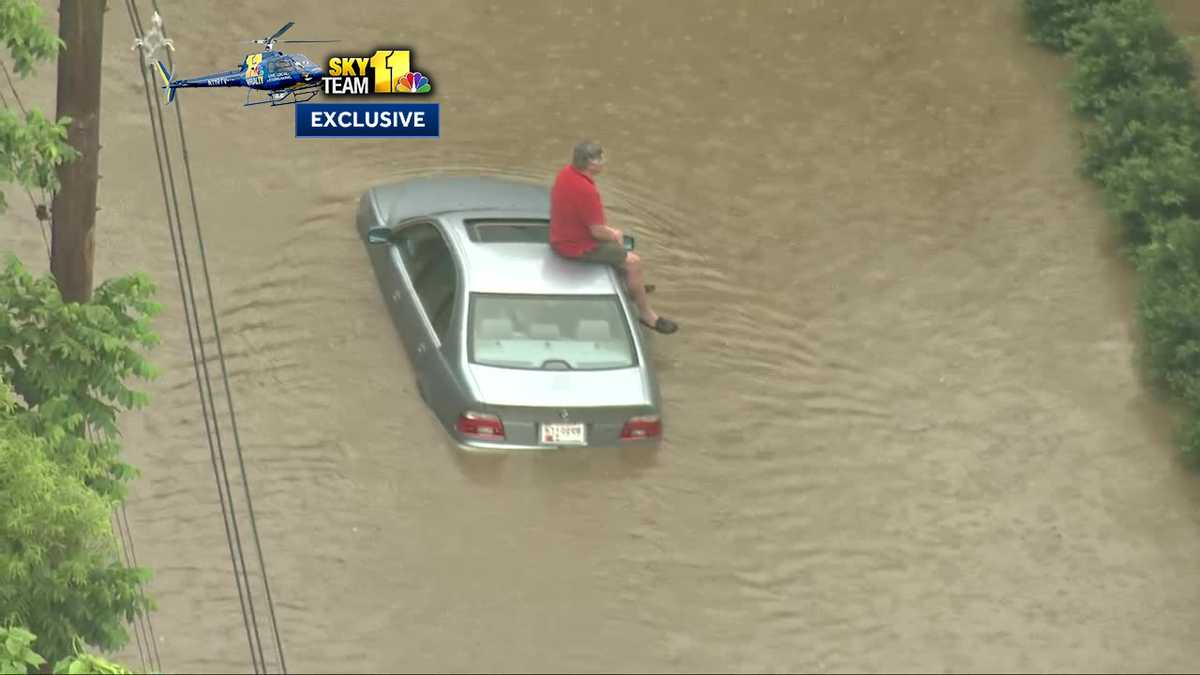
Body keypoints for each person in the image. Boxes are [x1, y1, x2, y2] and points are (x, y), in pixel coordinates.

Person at [549, 141, 678, 335]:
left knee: (619, 250)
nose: (603, 162)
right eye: (600, 159)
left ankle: (636, 288)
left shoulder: (565, 174)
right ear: (590, 163)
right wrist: (614, 234)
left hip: (561, 236)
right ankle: (647, 315)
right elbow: (597, 231)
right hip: (576, 246)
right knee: (634, 262)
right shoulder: (587, 191)